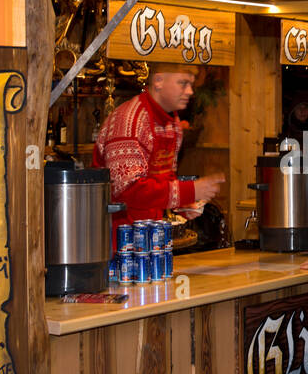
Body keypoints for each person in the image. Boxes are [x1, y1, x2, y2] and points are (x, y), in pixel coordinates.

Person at [92, 62, 224, 246]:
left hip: (149, 241)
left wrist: (183, 205)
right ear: (159, 81)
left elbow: (163, 178)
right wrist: (189, 191)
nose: (190, 92)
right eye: (183, 83)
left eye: (191, 85)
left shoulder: (172, 124)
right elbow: (128, 190)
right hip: (115, 244)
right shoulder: (129, 120)